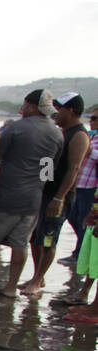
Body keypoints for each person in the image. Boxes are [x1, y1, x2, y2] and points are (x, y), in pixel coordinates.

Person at [0, 89, 64, 299]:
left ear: (30, 106)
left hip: (4, 195)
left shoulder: (16, 128)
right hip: (32, 200)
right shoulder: (57, 134)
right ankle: (11, 286)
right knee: (20, 244)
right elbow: (48, 171)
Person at [19, 92, 89, 296]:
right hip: (44, 192)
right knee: (35, 237)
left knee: (48, 238)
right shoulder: (59, 132)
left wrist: (59, 197)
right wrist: (39, 186)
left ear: (71, 111)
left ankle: (39, 278)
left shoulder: (78, 135)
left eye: (60, 109)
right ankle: (35, 277)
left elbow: (73, 169)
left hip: (60, 196)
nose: (55, 112)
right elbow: (48, 163)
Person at [61, 110, 98, 266]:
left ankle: (80, 254)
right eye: (91, 117)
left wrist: (90, 152)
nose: (91, 120)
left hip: (91, 186)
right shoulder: (90, 135)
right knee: (73, 217)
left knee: (84, 220)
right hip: (77, 184)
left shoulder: (84, 137)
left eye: (95, 118)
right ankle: (82, 250)